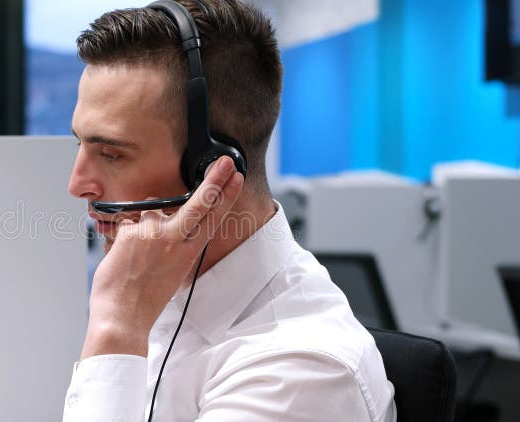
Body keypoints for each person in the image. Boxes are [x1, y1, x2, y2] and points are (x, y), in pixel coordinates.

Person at [64, 1, 396, 421]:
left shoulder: (300, 373)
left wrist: (116, 332)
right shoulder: (163, 295)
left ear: (211, 172)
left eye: (111, 153)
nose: (77, 185)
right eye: (81, 145)